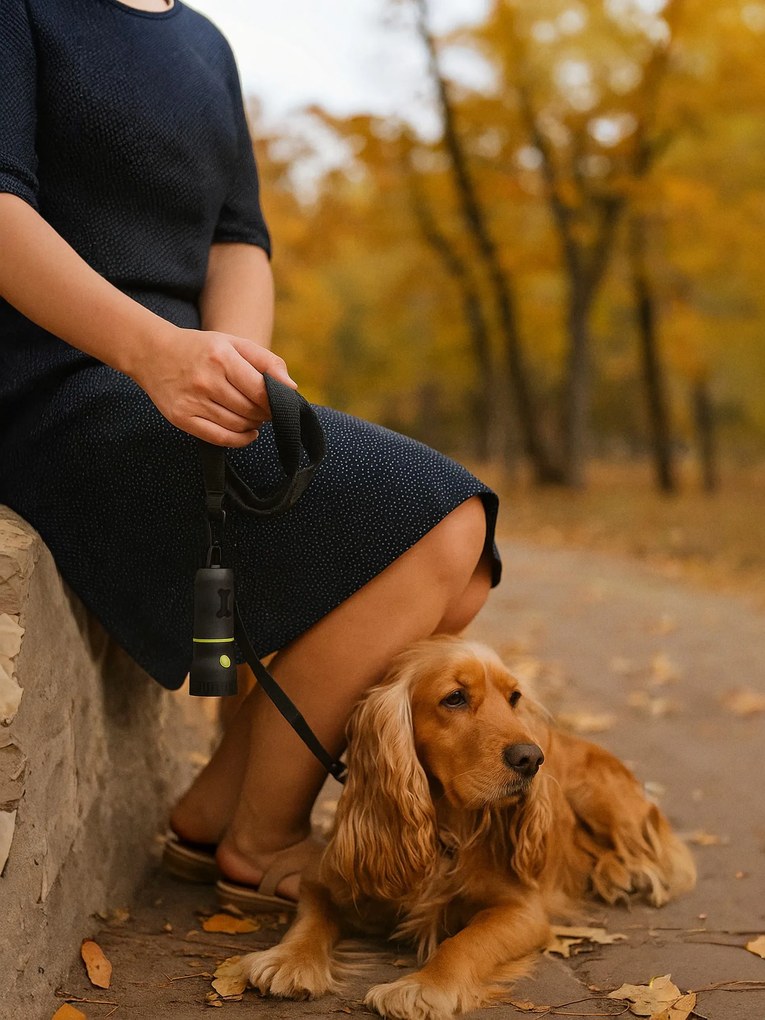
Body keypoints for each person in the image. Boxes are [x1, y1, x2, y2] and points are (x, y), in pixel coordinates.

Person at [0, 0, 501, 907]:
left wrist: (235, 368)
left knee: (461, 575)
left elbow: (239, 240)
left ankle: (214, 812)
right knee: (443, 526)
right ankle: (261, 837)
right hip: (53, 381)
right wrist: (152, 350)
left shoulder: (206, 44)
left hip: (167, 379)